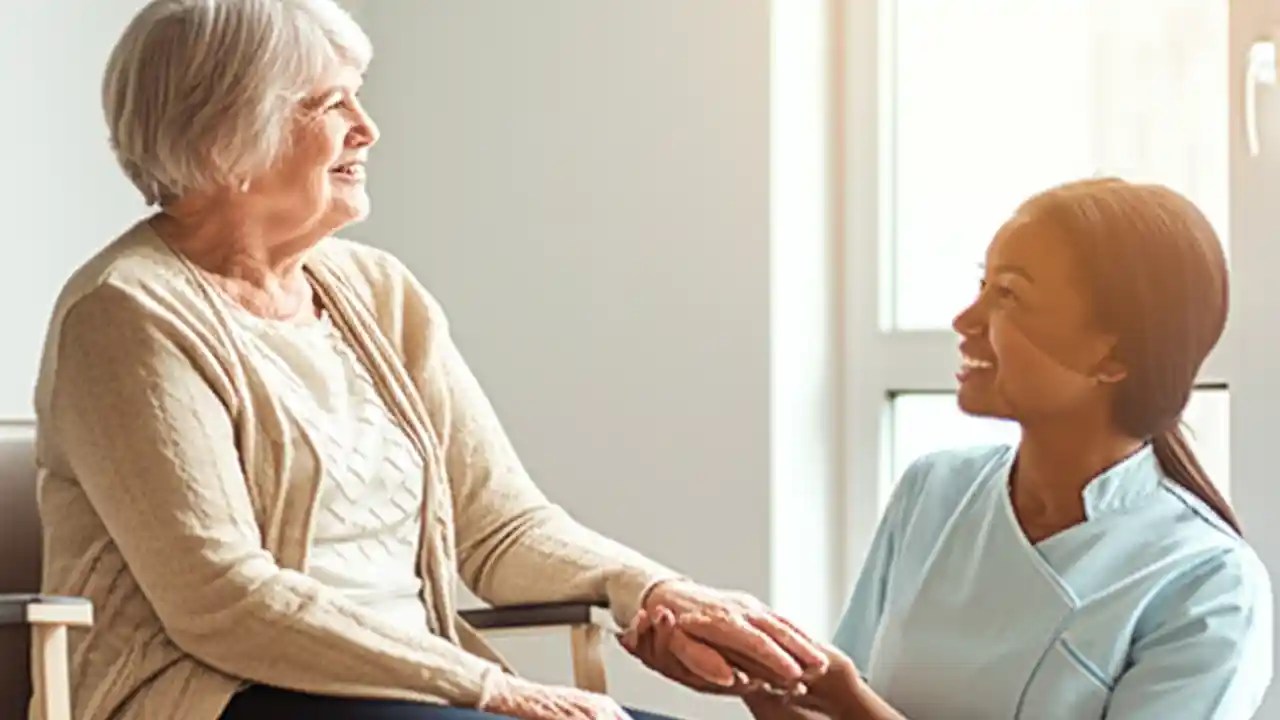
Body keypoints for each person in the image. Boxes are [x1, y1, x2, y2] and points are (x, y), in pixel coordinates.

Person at [32, 1, 827, 718]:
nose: (366, 128)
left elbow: (500, 526)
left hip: (415, 690)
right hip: (216, 694)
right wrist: (491, 686)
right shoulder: (125, 313)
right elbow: (225, 602)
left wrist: (655, 590)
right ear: (225, 138)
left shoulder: (378, 291)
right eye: (329, 102)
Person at [624, 178, 1274, 719]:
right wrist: (751, 679)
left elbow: (849, 702)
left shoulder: (1207, 585)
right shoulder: (935, 489)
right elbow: (822, 708)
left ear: (1113, 353)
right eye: (982, 285)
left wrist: (855, 703)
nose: (966, 320)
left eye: (1008, 295)